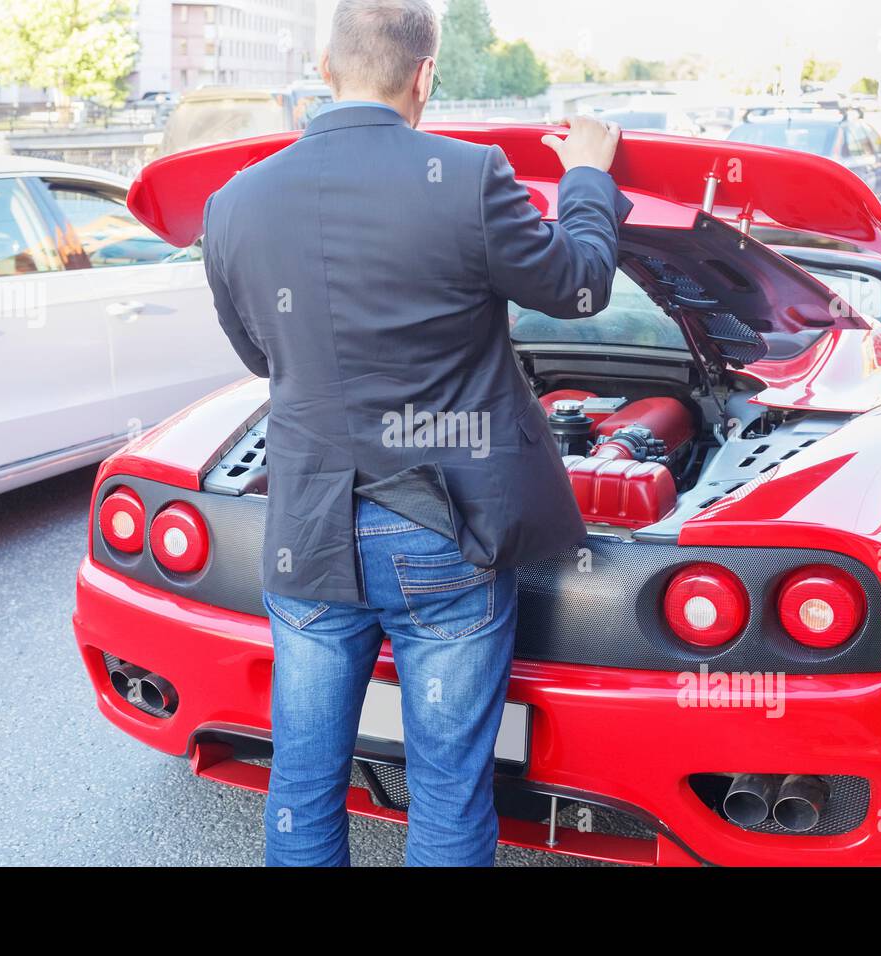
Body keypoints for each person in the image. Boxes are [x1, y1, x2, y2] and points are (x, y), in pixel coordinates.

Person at [201, 0, 631, 866]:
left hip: (307, 533)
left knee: (303, 780)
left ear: (325, 71)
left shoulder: (232, 202)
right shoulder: (470, 177)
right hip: (442, 527)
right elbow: (582, 286)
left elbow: (260, 354)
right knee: (447, 786)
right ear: (425, 76)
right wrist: (587, 176)